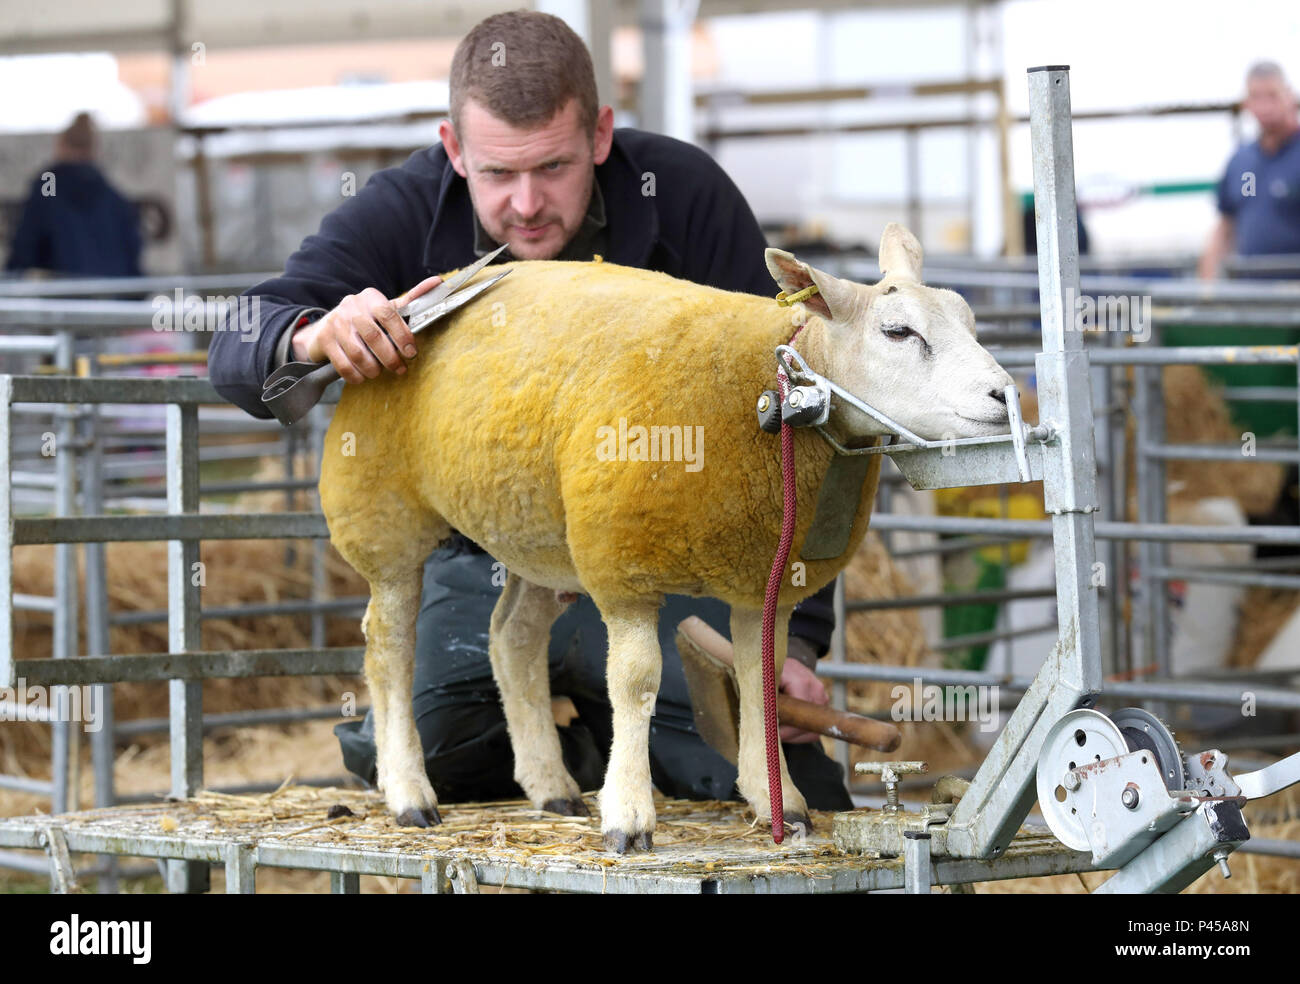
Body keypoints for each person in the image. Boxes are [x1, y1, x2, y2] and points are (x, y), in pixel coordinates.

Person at [208, 10, 852, 813]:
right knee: (431, 753)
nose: (525, 203)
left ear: (600, 136)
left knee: (780, 782)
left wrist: (800, 639)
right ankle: (581, 755)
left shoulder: (682, 194)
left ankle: (650, 750)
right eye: (496, 174)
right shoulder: (405, 209)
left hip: (668, 554)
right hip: (489, 550)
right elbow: (236, 336)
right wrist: (312, 331)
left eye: (552, 166)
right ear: (453, 149)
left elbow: (797, 407)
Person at [5, 112, 142, 277]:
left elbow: (25, 247)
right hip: (110, 297)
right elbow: (133, 256)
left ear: (61, 146)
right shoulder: (113, 197)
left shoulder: (48, 187)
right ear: (93, 149)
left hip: (63, 296)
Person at [1199, 61, 1300, 280]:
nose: (1264, 106)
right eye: (1256, 97)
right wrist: (1206, 291)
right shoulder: (1242, 160)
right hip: (1252, 296)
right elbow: (1225, 225)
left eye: (1272, 95)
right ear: (1247, 103)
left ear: (1290, 96)